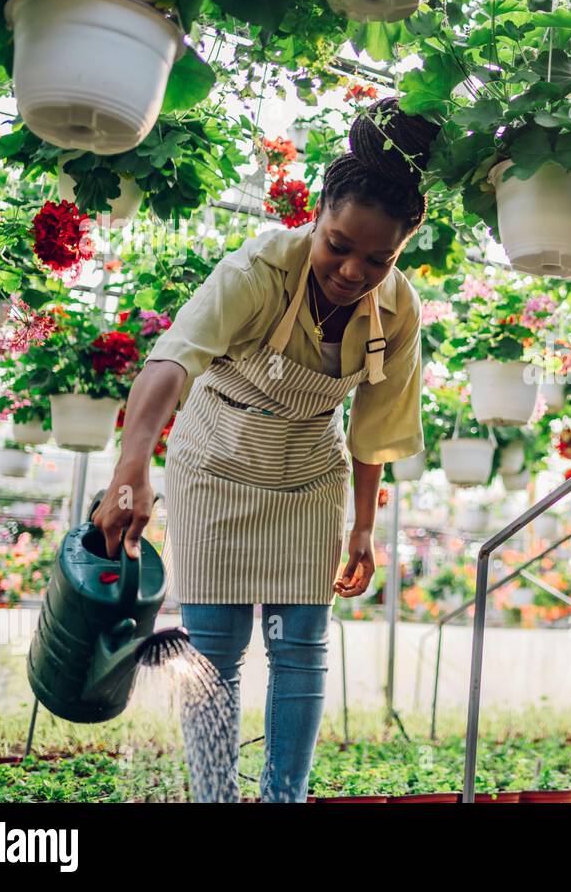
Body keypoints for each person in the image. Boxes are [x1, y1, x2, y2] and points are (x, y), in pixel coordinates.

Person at [91, 98, 436, 802]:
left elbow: (375, 425)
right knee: (213, 651)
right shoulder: (257, 270)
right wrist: (132, 465)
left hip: (309, 472)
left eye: (378, 258)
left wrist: (363, 527)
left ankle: (285, 798)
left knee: (300, 650)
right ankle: (215, 798)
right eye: (338, 244)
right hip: (215, 462)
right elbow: (173, 362)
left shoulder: (397, 308)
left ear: (401, 250)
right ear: (317, 216)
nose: (351, 269)